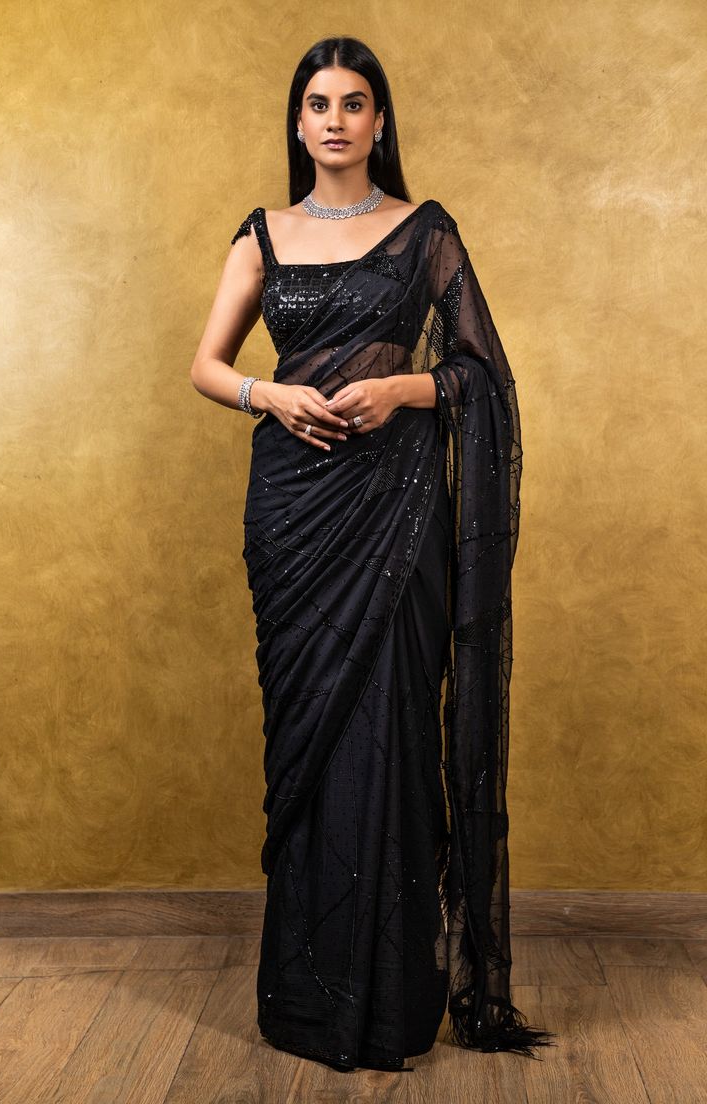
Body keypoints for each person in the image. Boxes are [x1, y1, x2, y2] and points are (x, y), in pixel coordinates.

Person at [190, 35, 556, 1074]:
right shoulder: (261, 236)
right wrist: (270, 393)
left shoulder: (425, 231)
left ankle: (389, 1002)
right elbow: (207, 365)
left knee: (389, 721)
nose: (336, 120)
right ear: (298, 121)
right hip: (292, 515)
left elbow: (486, 376)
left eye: (355, 103)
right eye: (319, 104)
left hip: (395, 515)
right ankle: (306, 1001)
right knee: (304, 735)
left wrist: (407, 388)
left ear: (380, 120)